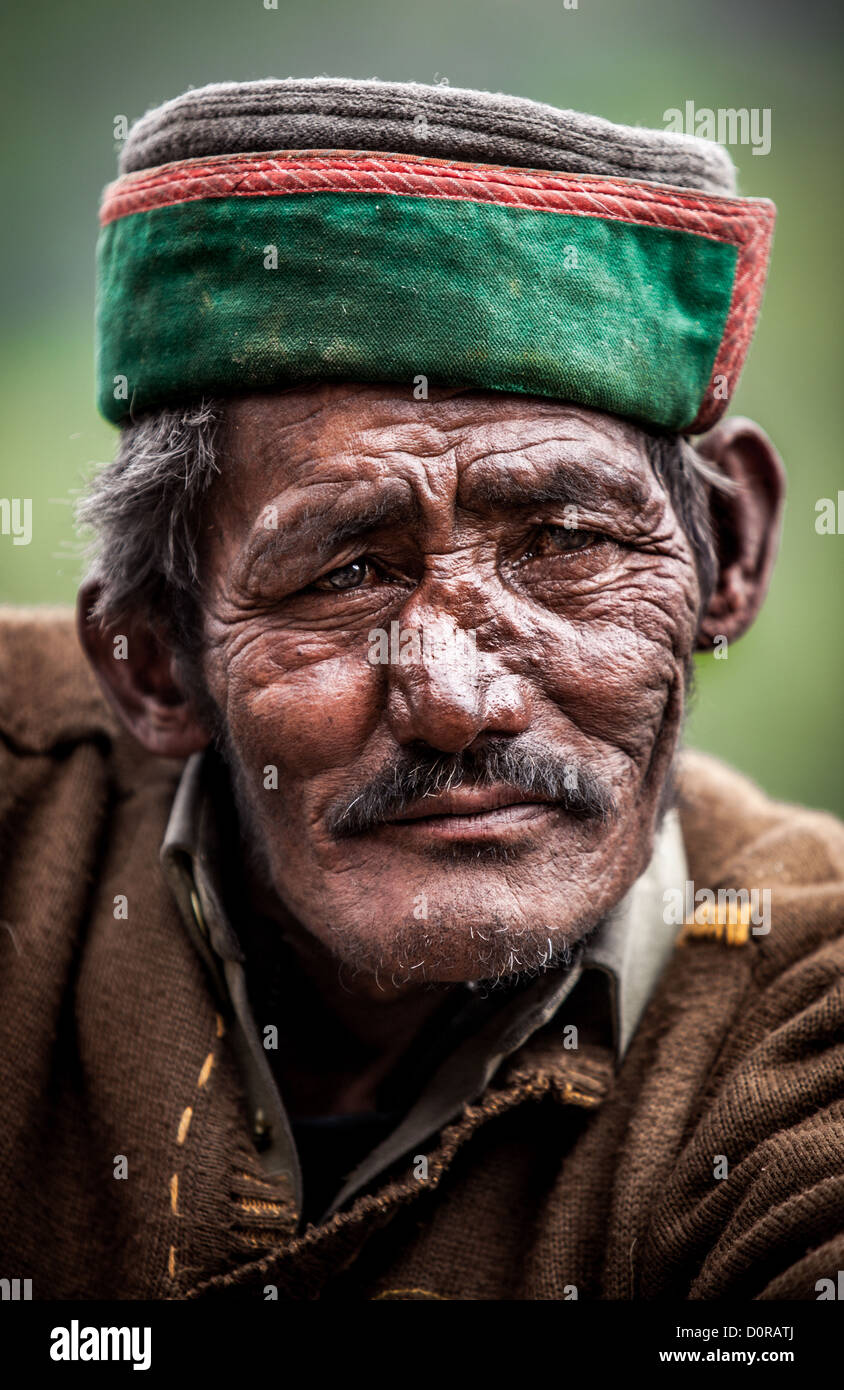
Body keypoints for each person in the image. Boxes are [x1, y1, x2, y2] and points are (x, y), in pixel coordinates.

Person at [1, 77, 841, 1300]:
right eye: (343, 574)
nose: (458, 702)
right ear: (151, 658)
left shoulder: (805, 1000)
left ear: (729, 552)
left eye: (564, 543)